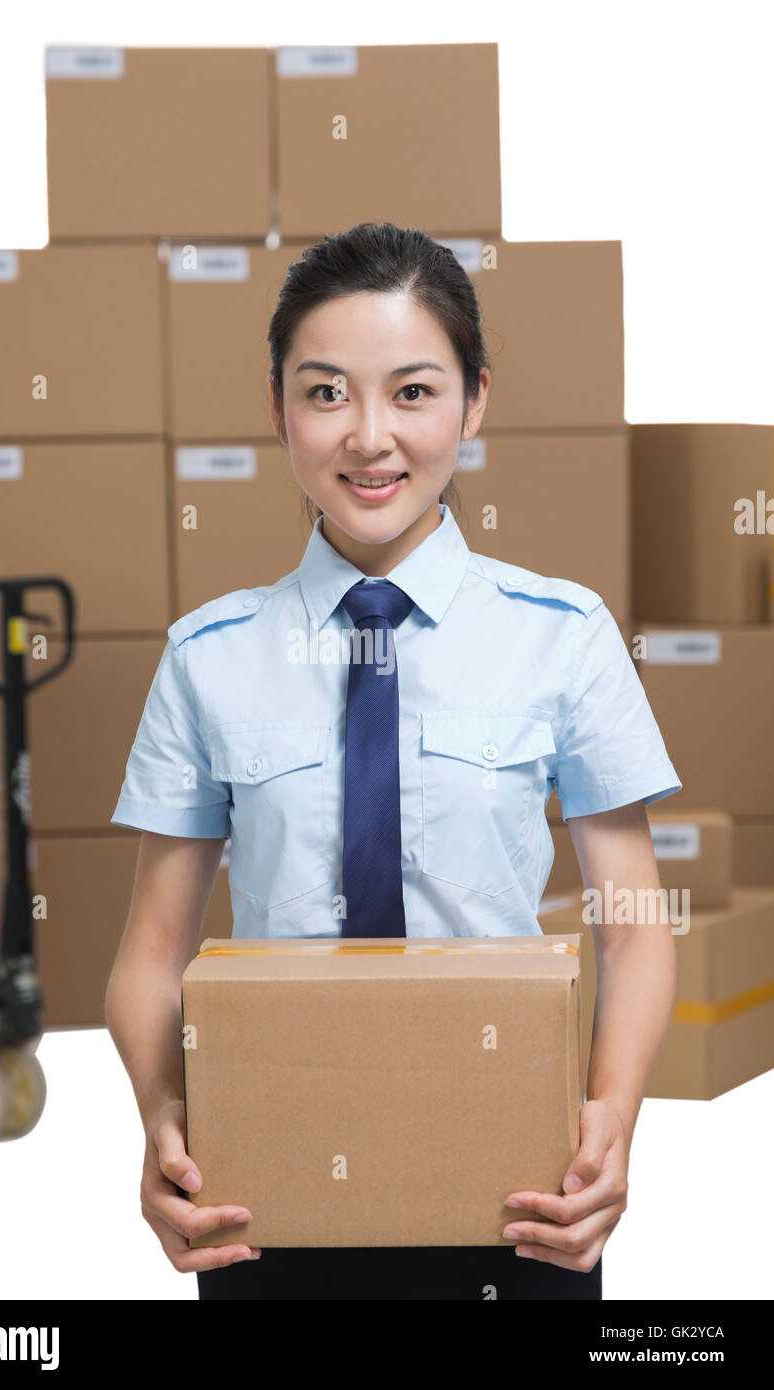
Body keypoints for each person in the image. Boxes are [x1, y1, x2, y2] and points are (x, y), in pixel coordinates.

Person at [105, 223, 682, 1300]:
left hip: (519, 1193)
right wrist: (163, 1117)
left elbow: (637, 924)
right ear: (278, 410)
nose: (369, 437)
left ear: (473, 402)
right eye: (325, 393)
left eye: (411, 392)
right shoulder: (208, 659)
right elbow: (150, 949)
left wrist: (607, 1116)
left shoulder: (562, 633)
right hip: (264, 1193)